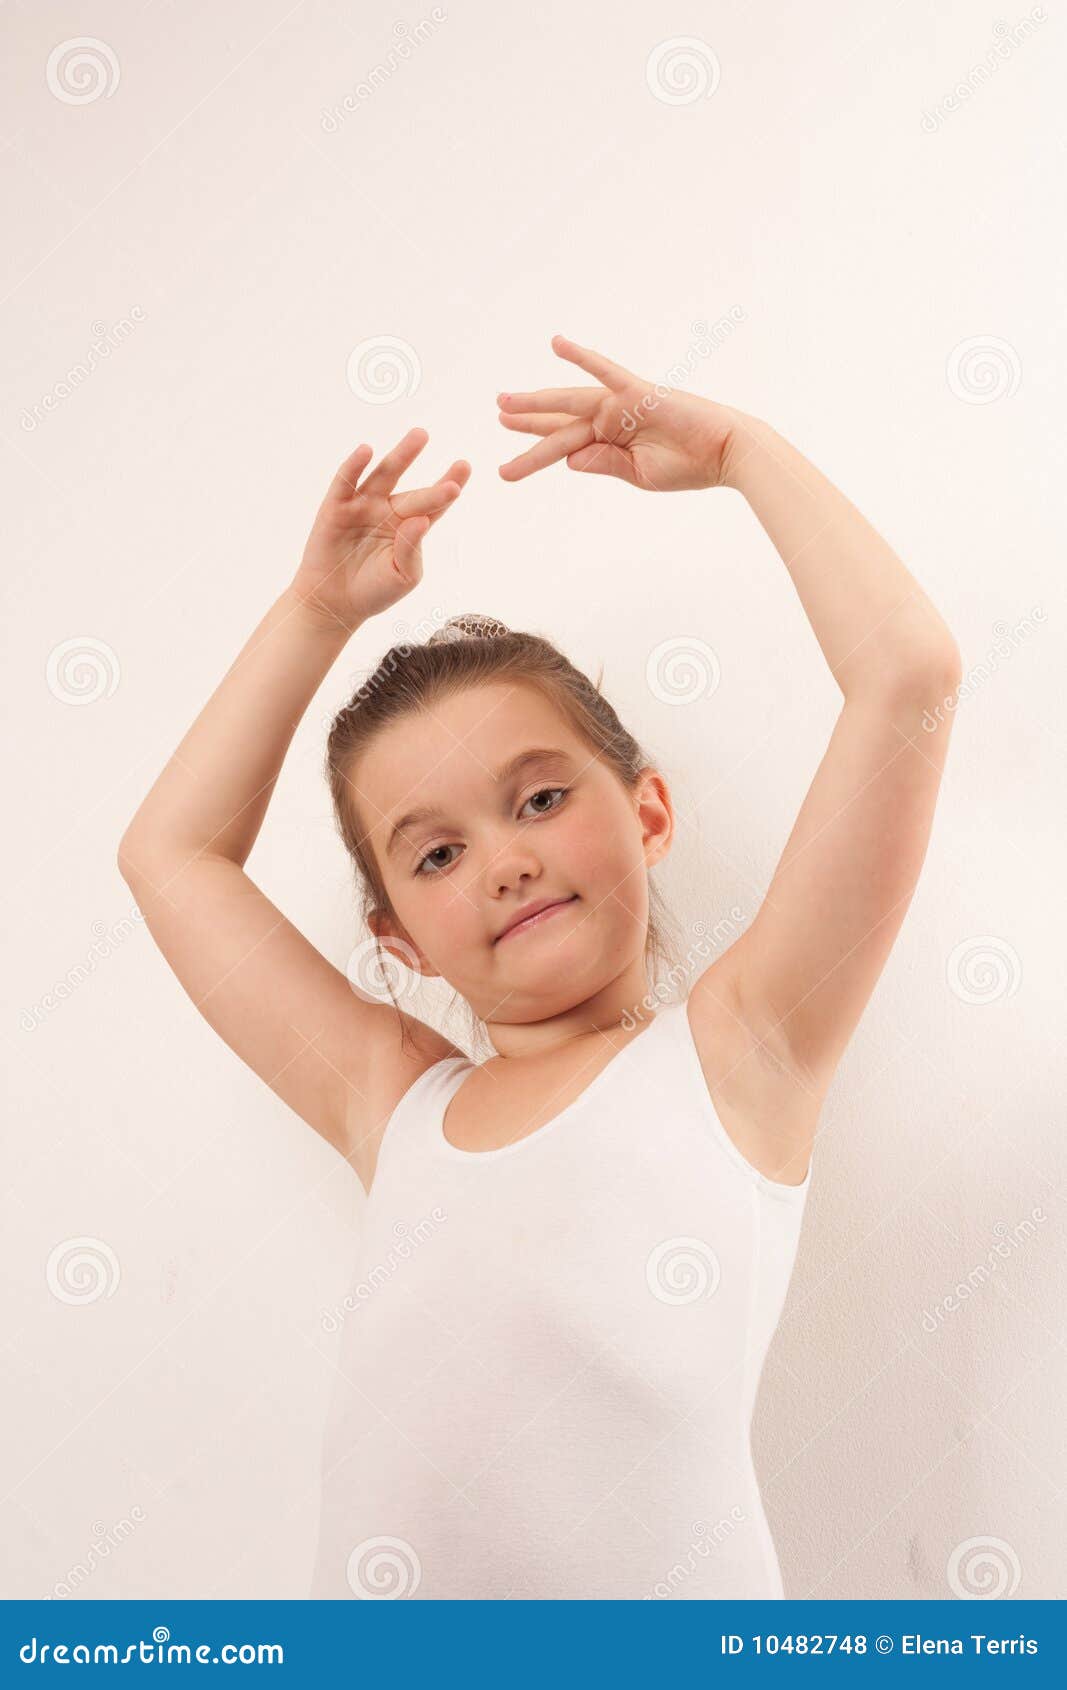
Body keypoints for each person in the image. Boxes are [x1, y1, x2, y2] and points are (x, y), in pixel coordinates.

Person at [117, 334, 962, 1599]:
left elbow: (907, 680)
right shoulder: (391, 1100)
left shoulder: (740, 1046)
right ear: (396, 937)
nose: (504, 862)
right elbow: (169, 857)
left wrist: (738, 455)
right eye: (439, 852)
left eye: (541, 797)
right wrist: (315, 614)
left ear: (649, 814)